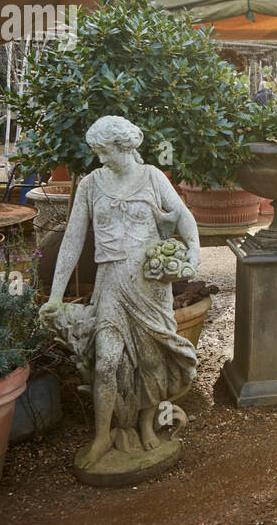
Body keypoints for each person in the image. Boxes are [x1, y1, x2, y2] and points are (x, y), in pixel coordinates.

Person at [39, 116, 200, 468]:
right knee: (107, 361)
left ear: (122, 146)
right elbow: (72, 239)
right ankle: (100, 438)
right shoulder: (91, 184)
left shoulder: (153, 177)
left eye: (103, 150)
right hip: (110, 284)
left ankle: (145, 426)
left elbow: (183, 217)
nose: (98, 158)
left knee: (152, 362)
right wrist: (55, 296)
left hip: (148, 286)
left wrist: (193, 255)